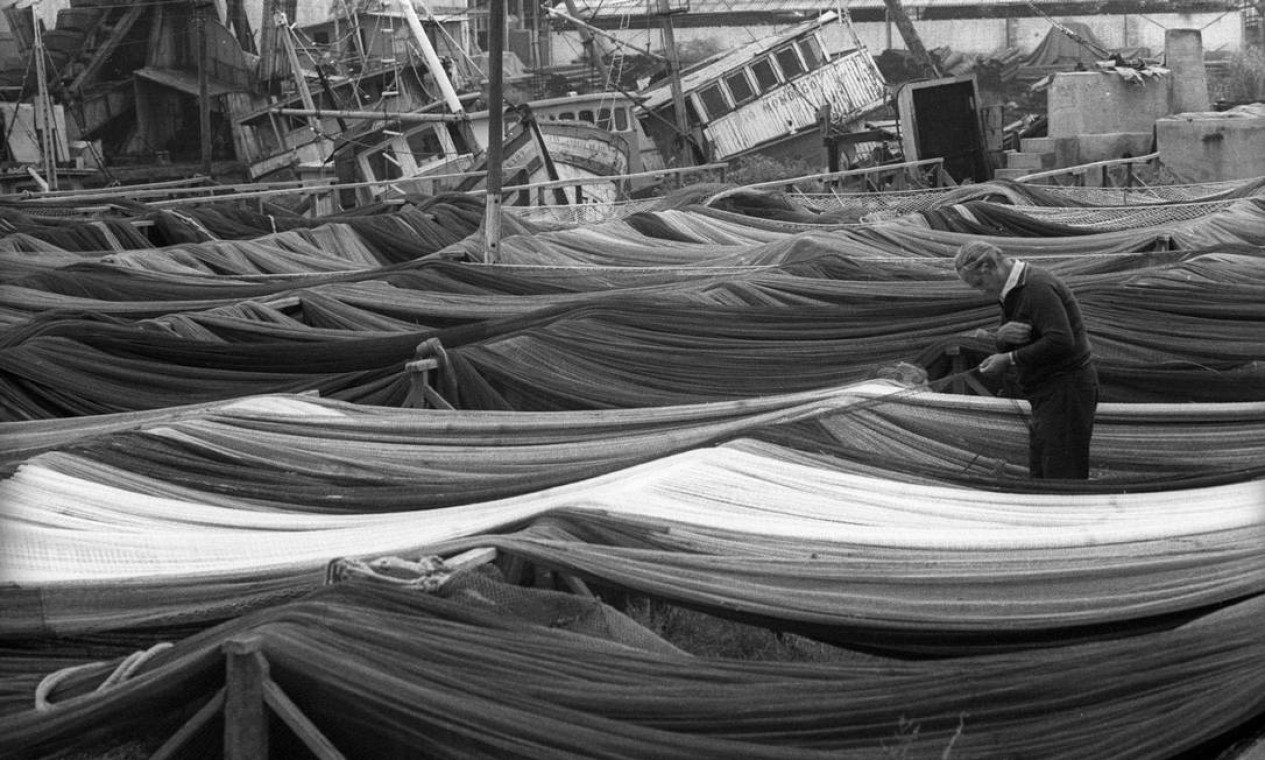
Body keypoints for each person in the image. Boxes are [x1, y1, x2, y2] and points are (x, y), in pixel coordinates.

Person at [954, 240, 1098, 479]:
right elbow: (1019, 336)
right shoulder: (1013, 291)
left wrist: (1008, 358)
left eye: (979, 284)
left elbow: (1061, 340)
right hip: (1047, 393)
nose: (982, 292)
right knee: (1042, 471)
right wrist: (1001, 339)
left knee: (1061, 474)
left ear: (988, 267)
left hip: (1066, 388)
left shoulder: (1036, 287)